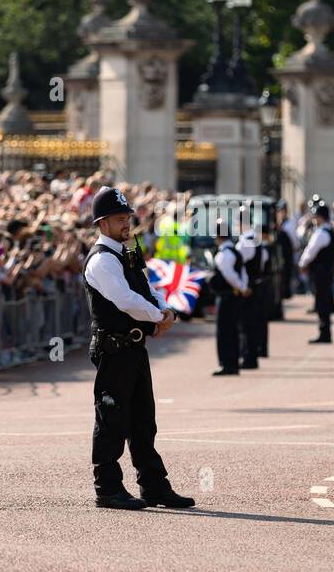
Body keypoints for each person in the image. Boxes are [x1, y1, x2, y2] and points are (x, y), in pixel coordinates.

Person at [82, 186, 193, 510]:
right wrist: (158, 316)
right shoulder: (102, 260)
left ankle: (154, 486)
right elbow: (125, 300)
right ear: (102, 223)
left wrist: (164, 309)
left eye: (127, 217)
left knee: (144, 420)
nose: (126, 224)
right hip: (113, 349)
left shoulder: (126, 252)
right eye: (119, 219)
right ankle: (108, 488)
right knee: (112, 420)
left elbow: (146, 287)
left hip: (133, 347)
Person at [211, 228, 250, 376]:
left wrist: (241, 287)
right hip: (234, 296)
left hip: (226, 296)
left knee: (224, 331)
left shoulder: (224, 254)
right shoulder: (235, 252)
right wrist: (244, 287)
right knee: (233, 330)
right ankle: (233, 363)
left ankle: (226, 363)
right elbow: (243, 273)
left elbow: (230, 275)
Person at [298, 202, 334, 343]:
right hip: (327, 271)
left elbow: (310, 250)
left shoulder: (321, 232)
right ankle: (325, 331)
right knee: (324, 301)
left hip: (320, 272)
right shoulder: (330, 231)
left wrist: (302, 263)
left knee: (321, 302)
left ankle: (324, 332)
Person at [237, 227, 267, 367]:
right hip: (258, 284)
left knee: (246, 323)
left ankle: (249, 357)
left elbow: (237, 261)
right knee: (255, 322)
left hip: (248, 286)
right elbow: (265, 258)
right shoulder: (257, 239)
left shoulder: (246, 241)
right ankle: (254, 354)